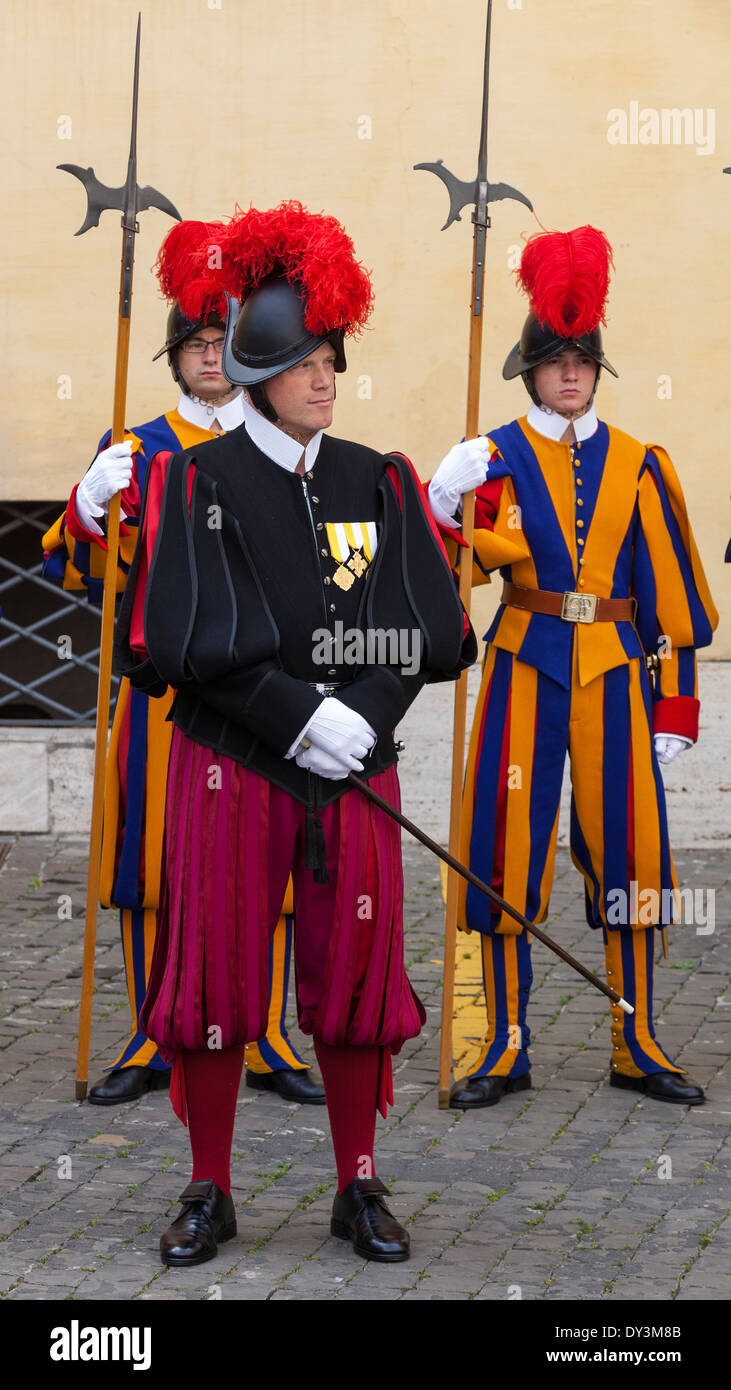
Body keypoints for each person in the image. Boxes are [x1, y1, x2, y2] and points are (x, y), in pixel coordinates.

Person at [114, 200, 477, 1267]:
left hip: (352, 772)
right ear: (260, 368)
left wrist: (356, 720)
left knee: (358, 977)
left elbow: (423, 625)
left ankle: (357, 1182)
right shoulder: (195, 481)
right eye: (307, 361)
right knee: (215, 977)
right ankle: (209, 1183)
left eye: (332, 359)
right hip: (231, 768)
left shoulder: (374, 475)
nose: (326, 378)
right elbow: (184, 639)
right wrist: (295, 715)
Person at [427, 225, 718, 1110]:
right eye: (552, 360)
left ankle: (637, 1037)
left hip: (617, 676)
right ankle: (503, 1042)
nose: (568, 373)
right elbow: (451, 582)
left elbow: (670, 599)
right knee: (502, 849)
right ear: (529, 369)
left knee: (631, 853)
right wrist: (442, 504)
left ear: (596, 367)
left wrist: (674, 707)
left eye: (579, 359)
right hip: (524, 664)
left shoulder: (639, 463)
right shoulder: (495, 459)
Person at [42, 219, 324, 1107]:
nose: (209, 356)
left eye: (221, 341)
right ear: (175, 355)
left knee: (266, 865)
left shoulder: (282, 439)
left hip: (263, 690)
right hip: (163, 693)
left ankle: (268, 1033)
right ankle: (151, 1027)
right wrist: (91, 510)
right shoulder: (135, 445)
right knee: (150, 861)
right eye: (195, 343)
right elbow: (82, 570)